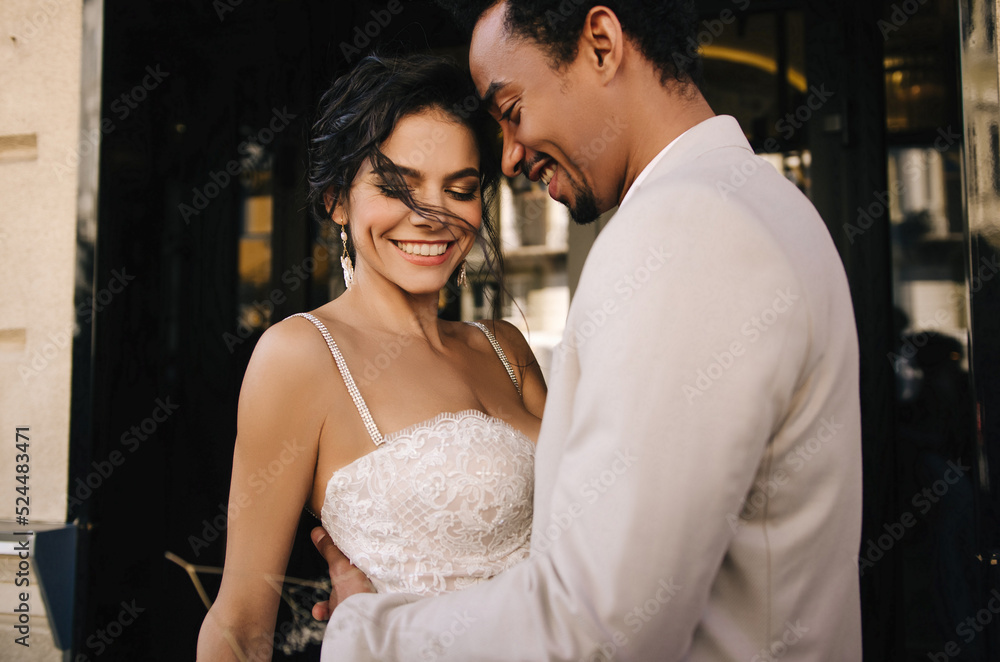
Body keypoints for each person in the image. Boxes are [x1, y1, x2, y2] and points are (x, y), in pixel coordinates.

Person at [313, 1, 864, 660]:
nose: (510, 158)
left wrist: (367, 632)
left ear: (601, 43)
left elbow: (595, 628)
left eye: (512, 111)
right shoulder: (768, 204)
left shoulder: (683, 229)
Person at [196, 54, 547, 661]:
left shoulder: (505, 347)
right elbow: (241, 623)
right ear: (337, 199)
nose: (433, 214)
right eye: (397, 187)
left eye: (460, 189)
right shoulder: (300, 356)